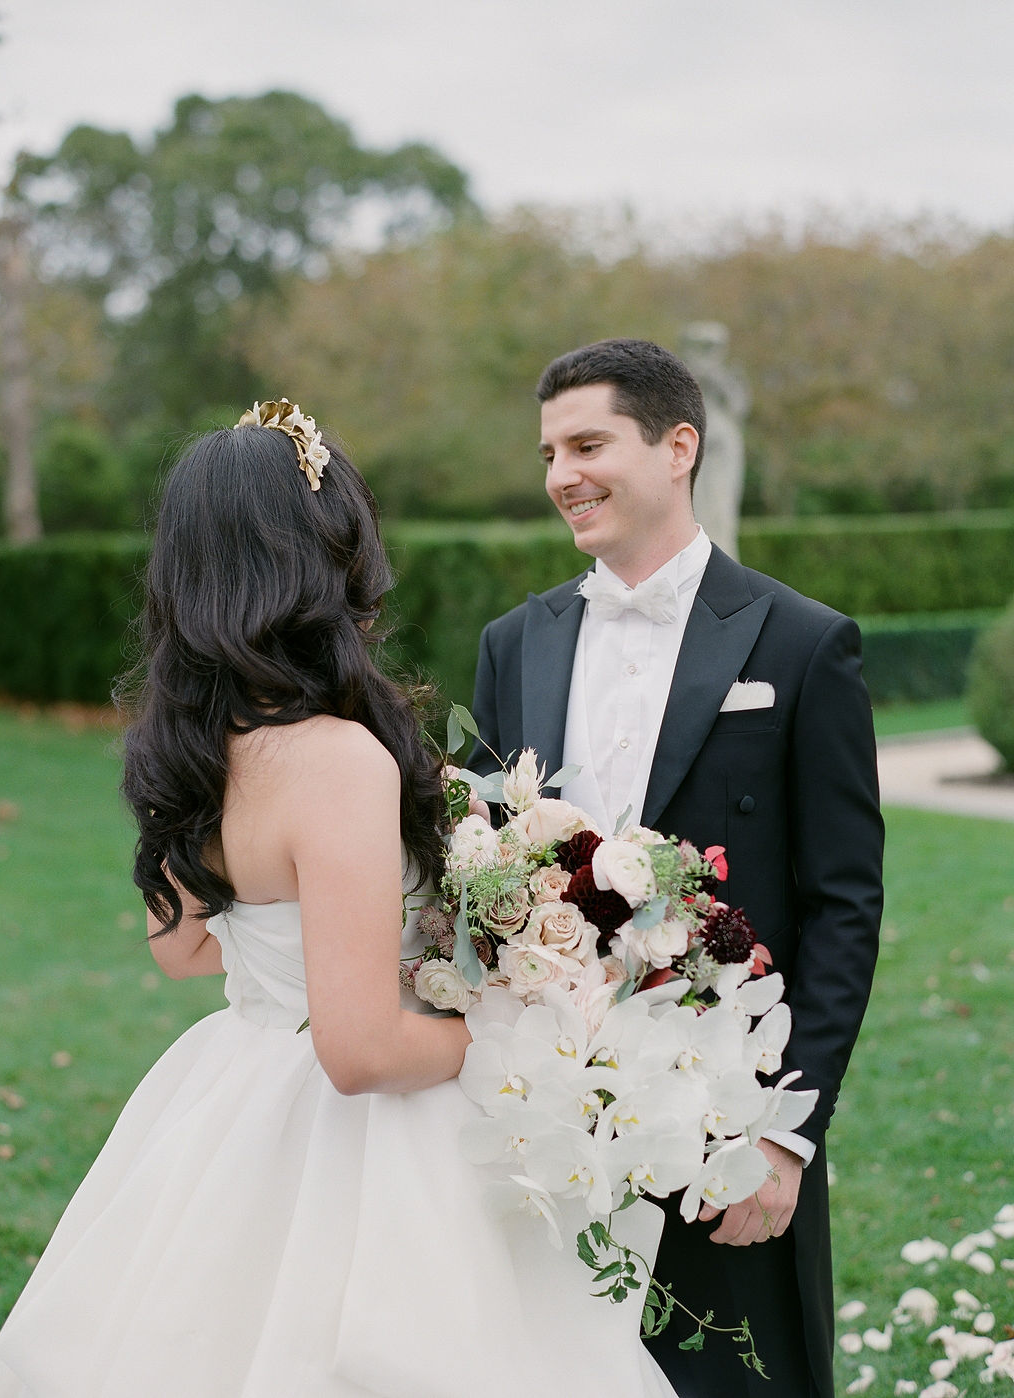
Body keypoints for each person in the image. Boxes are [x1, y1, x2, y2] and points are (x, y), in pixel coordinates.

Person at [0, 401, 678, 1397]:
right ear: (322, 558)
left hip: (230, 1099)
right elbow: (358, 1052)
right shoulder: (340, 760)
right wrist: (526, 1029)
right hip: (367, 1142)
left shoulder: (181, 742)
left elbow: (181, 952)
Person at [469, 340, 884, 1398]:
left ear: (677, 446)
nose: (562, 473)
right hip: (545, 1116)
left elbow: (842, 905)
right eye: (550, 450)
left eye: (589, 442)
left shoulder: (801, 643)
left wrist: (786, 1136)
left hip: (727, 1114)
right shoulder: (514, 644)